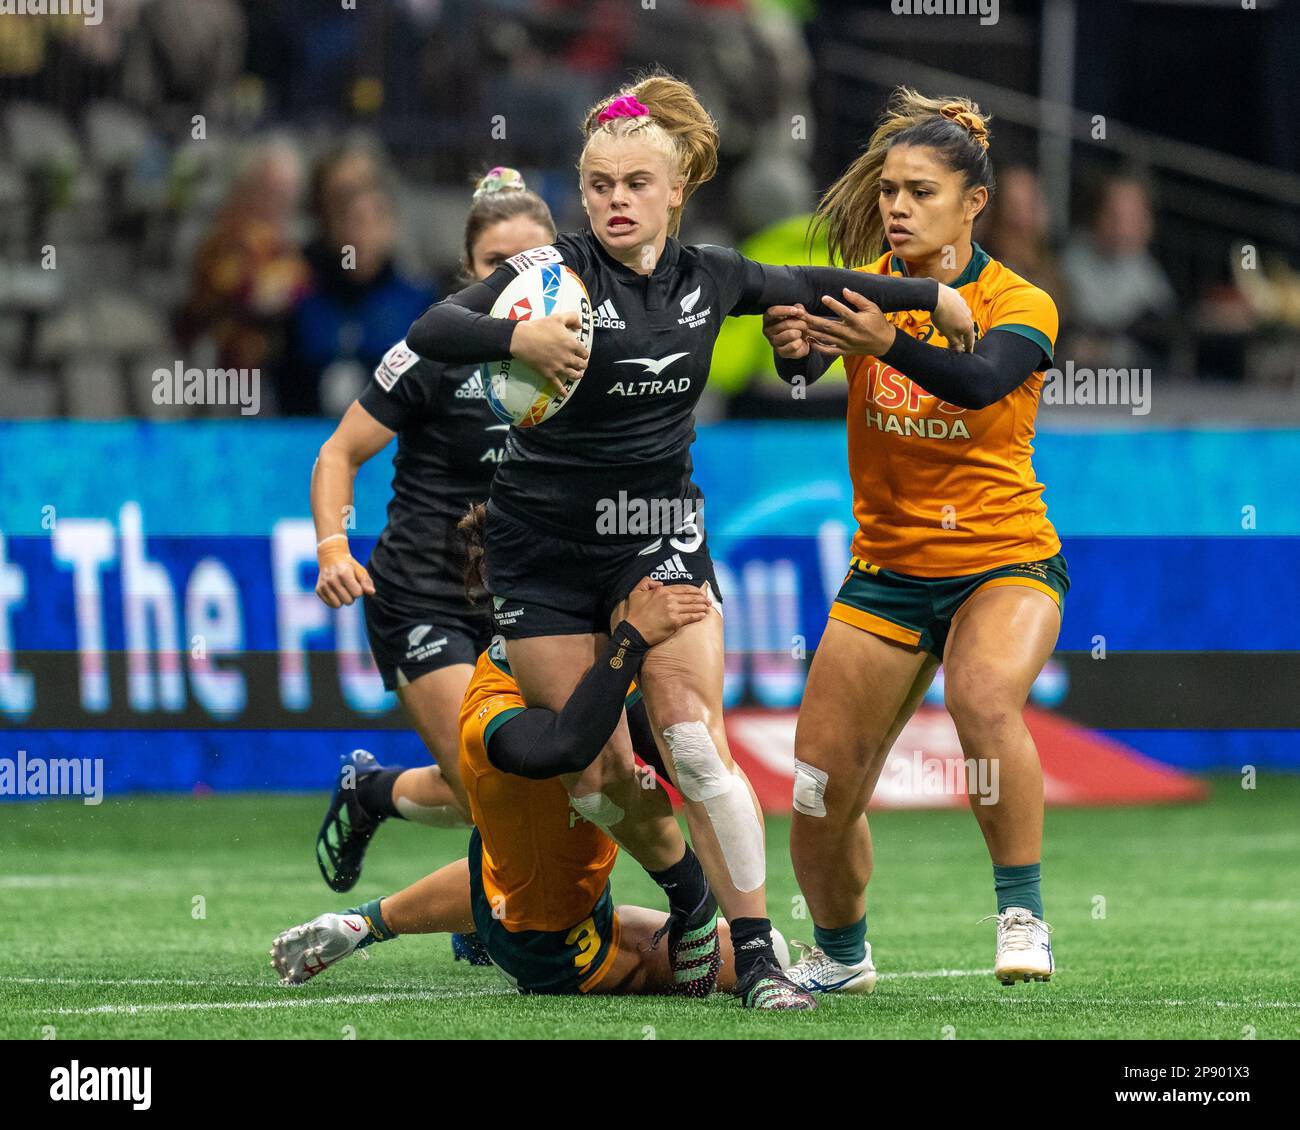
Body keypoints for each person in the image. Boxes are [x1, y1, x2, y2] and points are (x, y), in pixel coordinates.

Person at [403, 71, 974, 1009]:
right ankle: (692, 904)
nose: (615, 201)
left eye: (635, 184)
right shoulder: (549, 279)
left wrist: (926, 298)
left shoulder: (712, 278)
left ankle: (756, 958)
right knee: (589, 770)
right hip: (539, 552)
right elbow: (432, 328)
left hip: (656, 538)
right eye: (597, 184)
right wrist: (518, 344)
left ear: (675, 191)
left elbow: (813, 284)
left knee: (692, 744)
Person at [760, 89, 1067, 993]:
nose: (896, 206)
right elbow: (805, 363)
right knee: (817, 790)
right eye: (890, 188)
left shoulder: (1023, 301)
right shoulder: (866, 283)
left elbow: (978, 384)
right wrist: (791, 345)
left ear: (975, 202)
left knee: (980, 700)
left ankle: (1021, 914)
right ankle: (841, 954)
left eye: (920, 192)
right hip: (887, 571)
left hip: (1003, 561)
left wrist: (885, 341)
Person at [273, 551, 762, 998]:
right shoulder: (492, 706)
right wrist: (629, 641)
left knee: (516, 852)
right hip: (555, 947)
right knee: (769, 949)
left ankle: (367, 921)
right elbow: (565, 746)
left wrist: (704, 770)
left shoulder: (577, 666)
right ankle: (699, 905)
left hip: (509, 883)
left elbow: (665, 752)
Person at [310, 168, 556, 895]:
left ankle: (372, 793)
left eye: (536, 265)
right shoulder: (432, 349)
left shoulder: (582, 357)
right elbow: (339, 453)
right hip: (423, 595)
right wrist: (332, 548)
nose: (516, 282)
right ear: (468, 272)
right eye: (495, 267)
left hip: (526, 601)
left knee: (544, 780)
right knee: (491, 783)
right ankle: (490, 909)